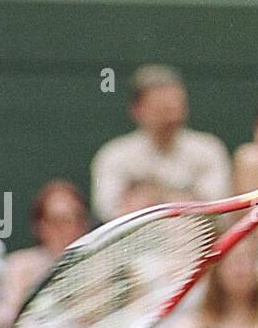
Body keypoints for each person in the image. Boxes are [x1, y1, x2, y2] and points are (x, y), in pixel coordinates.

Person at [89, 64, 231, 221]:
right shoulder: (114, 155)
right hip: (137, 241)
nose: (172, 116)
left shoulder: (208, 149)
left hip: (197, 239)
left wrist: (155, 199)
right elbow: (108, 212)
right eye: (161, 107)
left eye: (176, 105)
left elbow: (218, 212)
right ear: (137, 109)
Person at [3, 180, 90, 318]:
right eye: (59, 221)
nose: (70, 229)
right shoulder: (19, 267)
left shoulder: (100, 264)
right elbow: (9, 319)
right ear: (41, 226)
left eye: (76, 218)